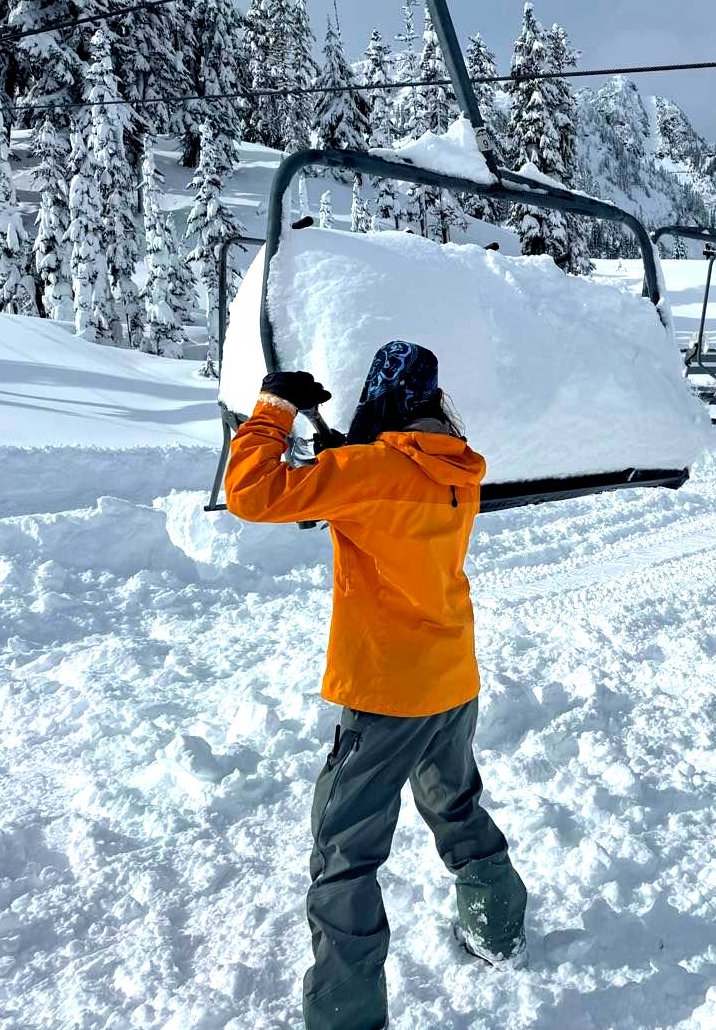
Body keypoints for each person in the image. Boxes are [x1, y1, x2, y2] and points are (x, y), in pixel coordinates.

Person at [225, 340, 528, 1030]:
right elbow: (386, 501)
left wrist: (273, 409)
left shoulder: (366, 469)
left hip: (387, 694)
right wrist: (337, 447)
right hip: (451, 679)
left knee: (345, 856)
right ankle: (498, 926)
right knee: (455, 807)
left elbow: (251, 494)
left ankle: (345, 1014)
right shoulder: (458, 467)